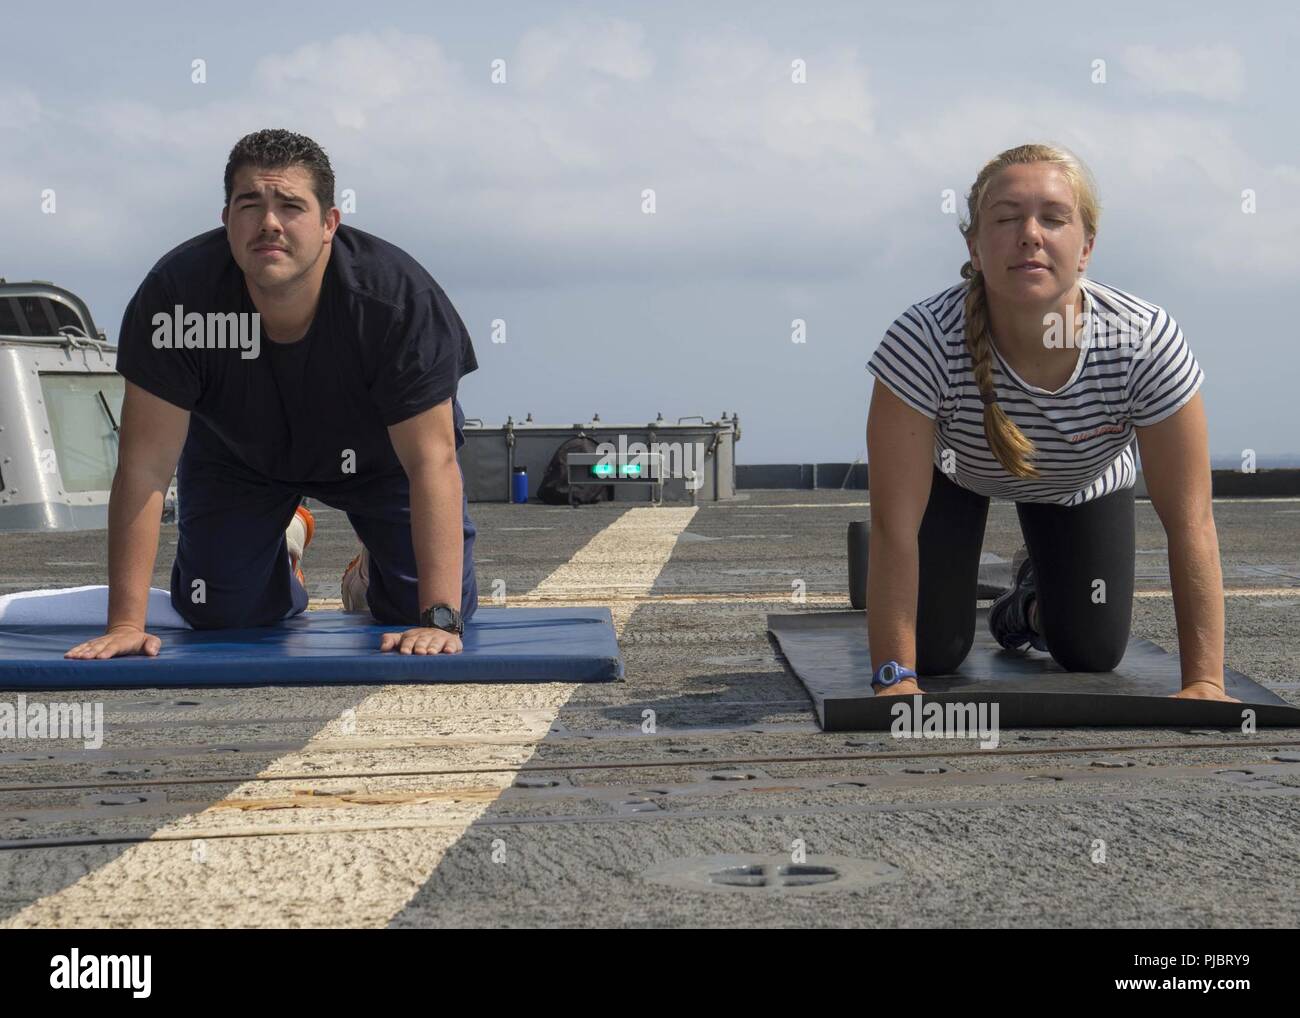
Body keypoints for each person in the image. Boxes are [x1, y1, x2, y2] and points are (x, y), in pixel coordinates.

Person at [65, 128, 478, 660]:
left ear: (330, 222)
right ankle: (283, 553)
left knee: (416, 612)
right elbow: (144, 466)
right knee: (218, 611)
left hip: (381, 458)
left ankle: (369, 568)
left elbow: (432, 462)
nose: (270, 224)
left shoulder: (395, 302)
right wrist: (125, 623)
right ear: (225, 219)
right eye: (250, 204)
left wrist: (439, 616)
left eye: (291, 205)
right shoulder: (177, 301)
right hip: (238, 457)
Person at [864, 142, 1236, 703]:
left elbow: (1191, 523)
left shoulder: (1142, 340)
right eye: (1007, 218)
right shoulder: (922, 342)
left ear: (1086, 247)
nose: (1030, 234)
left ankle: (1028, 601)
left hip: (1081, 485)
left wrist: (1205, 681)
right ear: (975, 245)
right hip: (958, 474)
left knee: (1089, 652)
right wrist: (895, 677)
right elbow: (893, 528)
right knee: (935, 652)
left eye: (1054, 219)